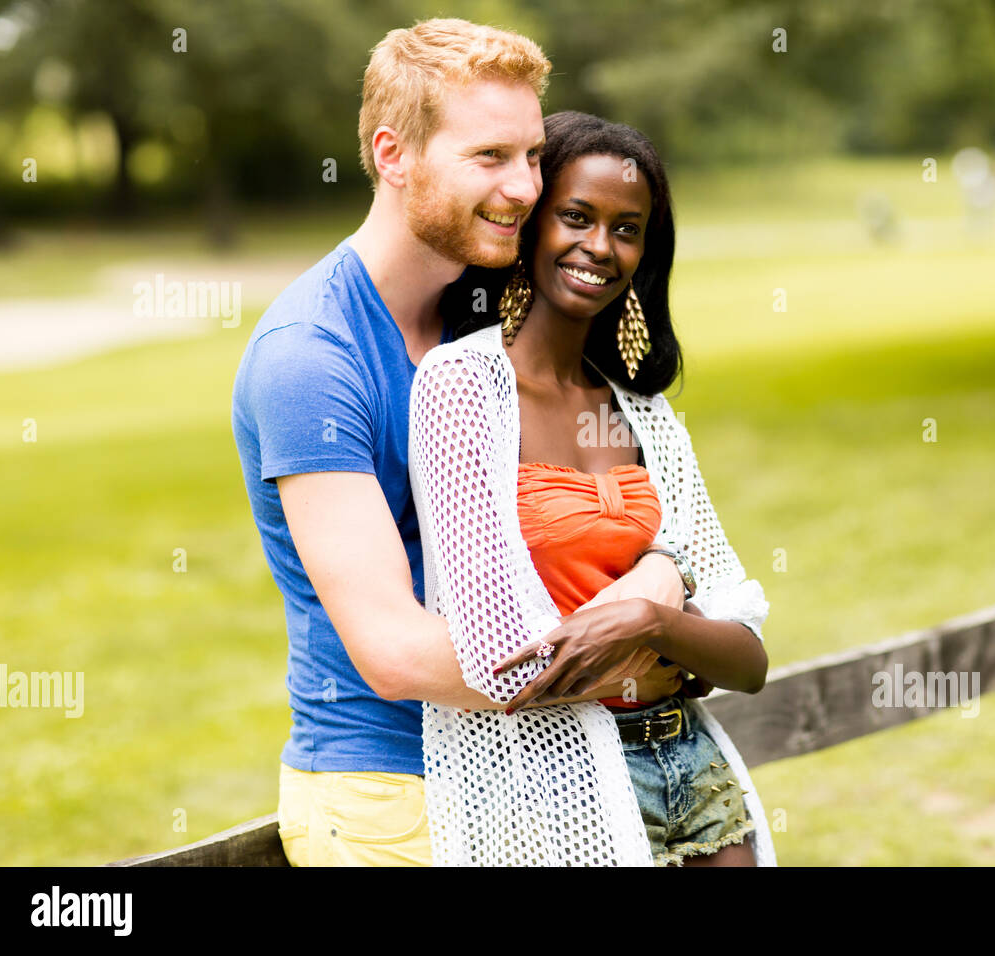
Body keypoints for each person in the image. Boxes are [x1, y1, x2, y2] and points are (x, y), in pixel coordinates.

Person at [230, 20, 686, 867]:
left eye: (531, 156)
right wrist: (627, 664)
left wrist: (658, 593)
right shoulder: (309, 358)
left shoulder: (496, 314)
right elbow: (397, 652)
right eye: (489, 158)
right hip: (393, 794)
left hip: (539, 765)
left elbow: (641, 502)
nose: (524, 189)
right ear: (393, 156)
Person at [409, 111, 777, 866]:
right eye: (576, 217)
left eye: (627, 228)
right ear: (532, 223)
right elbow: (504, 657)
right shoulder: (461, 387)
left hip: (692, 767)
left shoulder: (645, 413)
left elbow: (746, 654)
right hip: (555, 785)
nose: (600, 247)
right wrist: (673, 601)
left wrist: (652, 617)